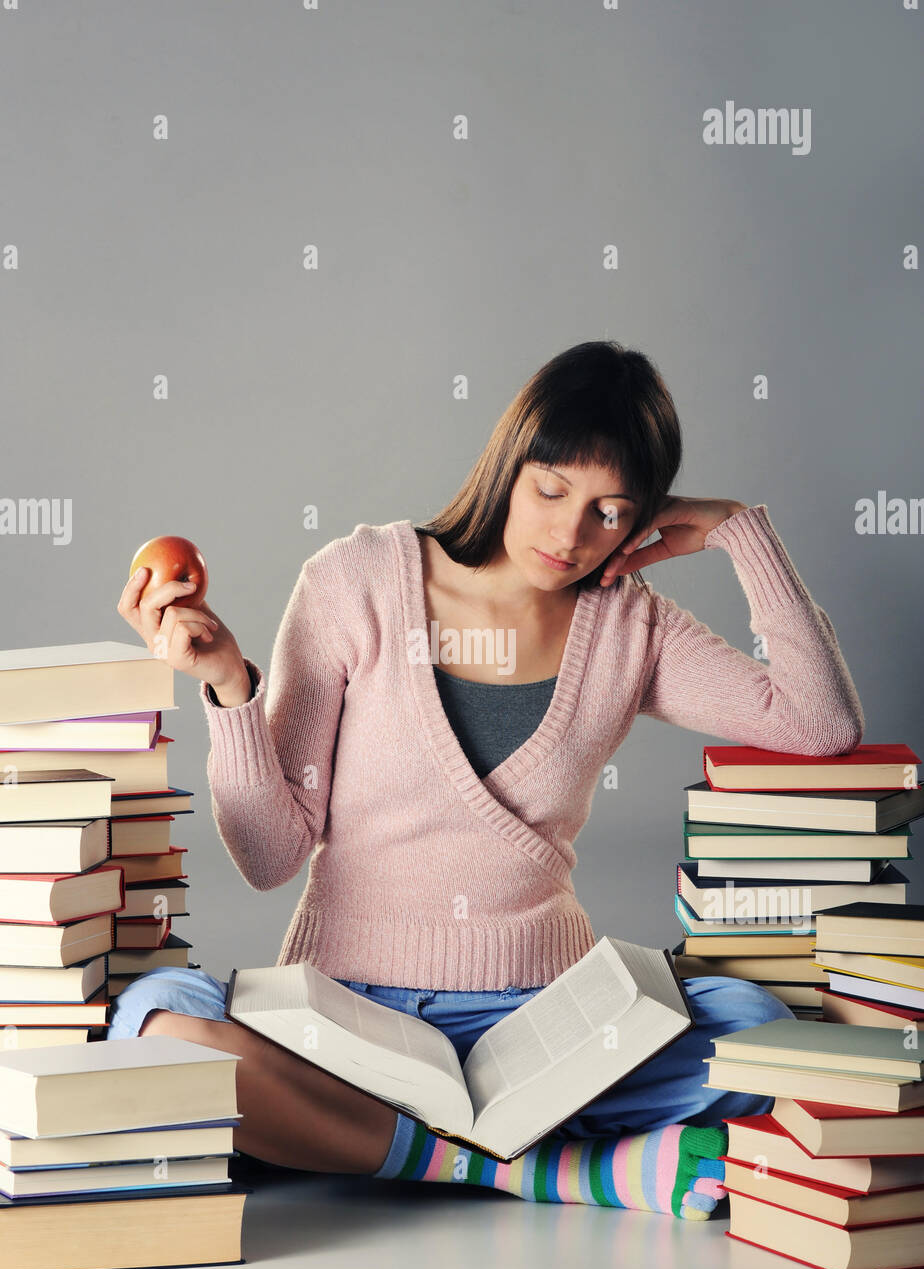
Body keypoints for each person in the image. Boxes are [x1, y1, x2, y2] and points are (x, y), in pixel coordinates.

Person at [110, 341, 864, 1220]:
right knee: (160, 1023)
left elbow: (820, 724)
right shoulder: (356, 581)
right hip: (345, 1012)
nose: (570, 535)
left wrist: (742, 532)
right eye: (551, 492)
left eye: (610, 513)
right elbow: (271, 853)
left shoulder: (633, 629)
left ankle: (356, 1141)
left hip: (544, 1024)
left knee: (760, 1032)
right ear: (509, 465)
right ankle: (525, 1170)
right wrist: (230, 687)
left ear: (642, 519)